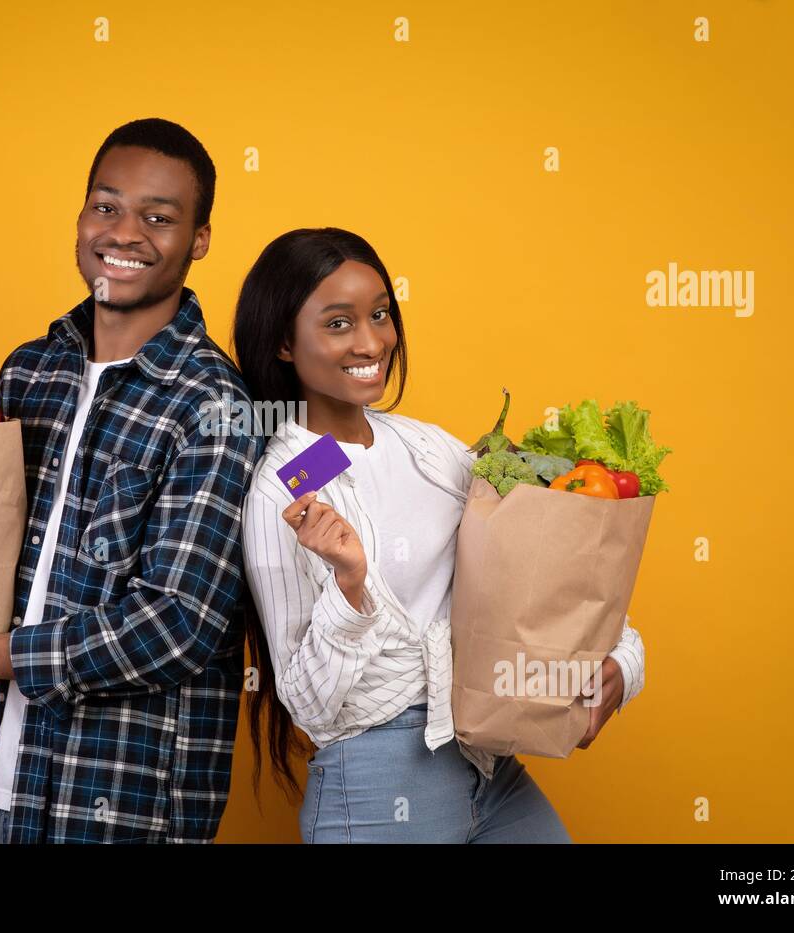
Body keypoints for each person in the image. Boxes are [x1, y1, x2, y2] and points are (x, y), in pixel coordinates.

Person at [0, 118, 262, 843]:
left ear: (200, 239)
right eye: (107, 206)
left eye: (159, 216)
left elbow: (176, 624)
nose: (125, 233)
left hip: (128, 812)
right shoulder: (30, 371)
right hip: (12, 790)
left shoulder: (216, 405)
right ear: (81, 217)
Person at [233, 227, 646, 843]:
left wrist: (621, 659)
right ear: (284, 344)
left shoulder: (429, 448)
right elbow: (311, 706)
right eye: (338, 323)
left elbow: (533, 575)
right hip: (377, 784)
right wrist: (350, 584)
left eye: (379, 314)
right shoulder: (287, 487)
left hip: (488, 760)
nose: (371, 341)